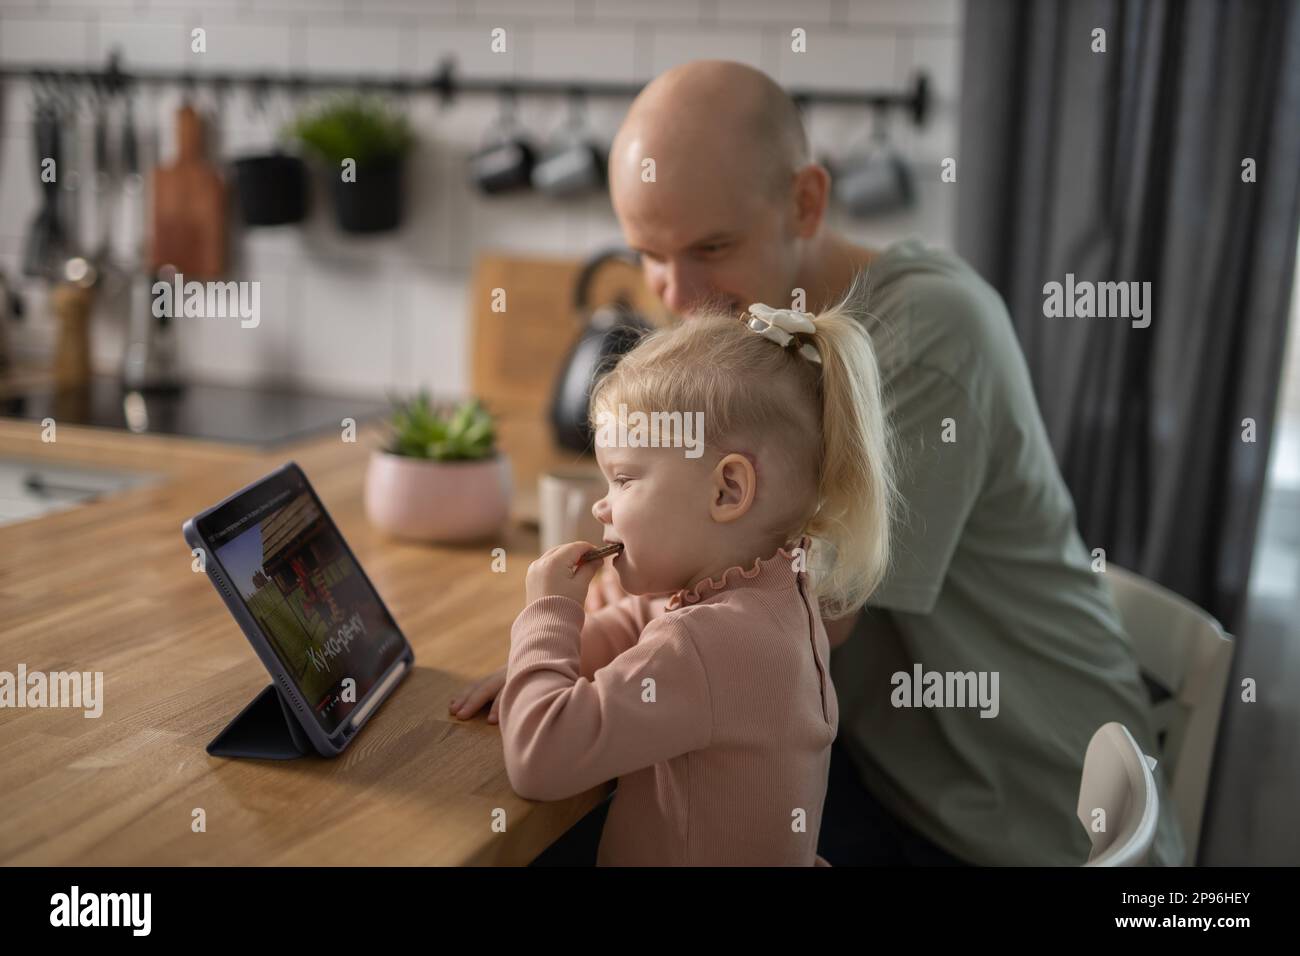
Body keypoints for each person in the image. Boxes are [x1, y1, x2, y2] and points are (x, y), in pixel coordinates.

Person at [452, 60, 1184, 866]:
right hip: (898, 772)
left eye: (712, 246)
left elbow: (816, 609)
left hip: (1014, 817)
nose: (677, 296)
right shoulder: (777, 347)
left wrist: (560, 657)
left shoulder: (927, 335)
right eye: (649, 255)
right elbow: (691, 589)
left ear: (806, 201)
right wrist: (571, 649)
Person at [492, 297, 893, 865]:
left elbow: (538, 759)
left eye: (624, 479)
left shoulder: (702, 645)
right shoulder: (779, 595)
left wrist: (547, 617)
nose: (603, 506)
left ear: (727, 490)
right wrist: (542, 667)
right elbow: (645, 620)